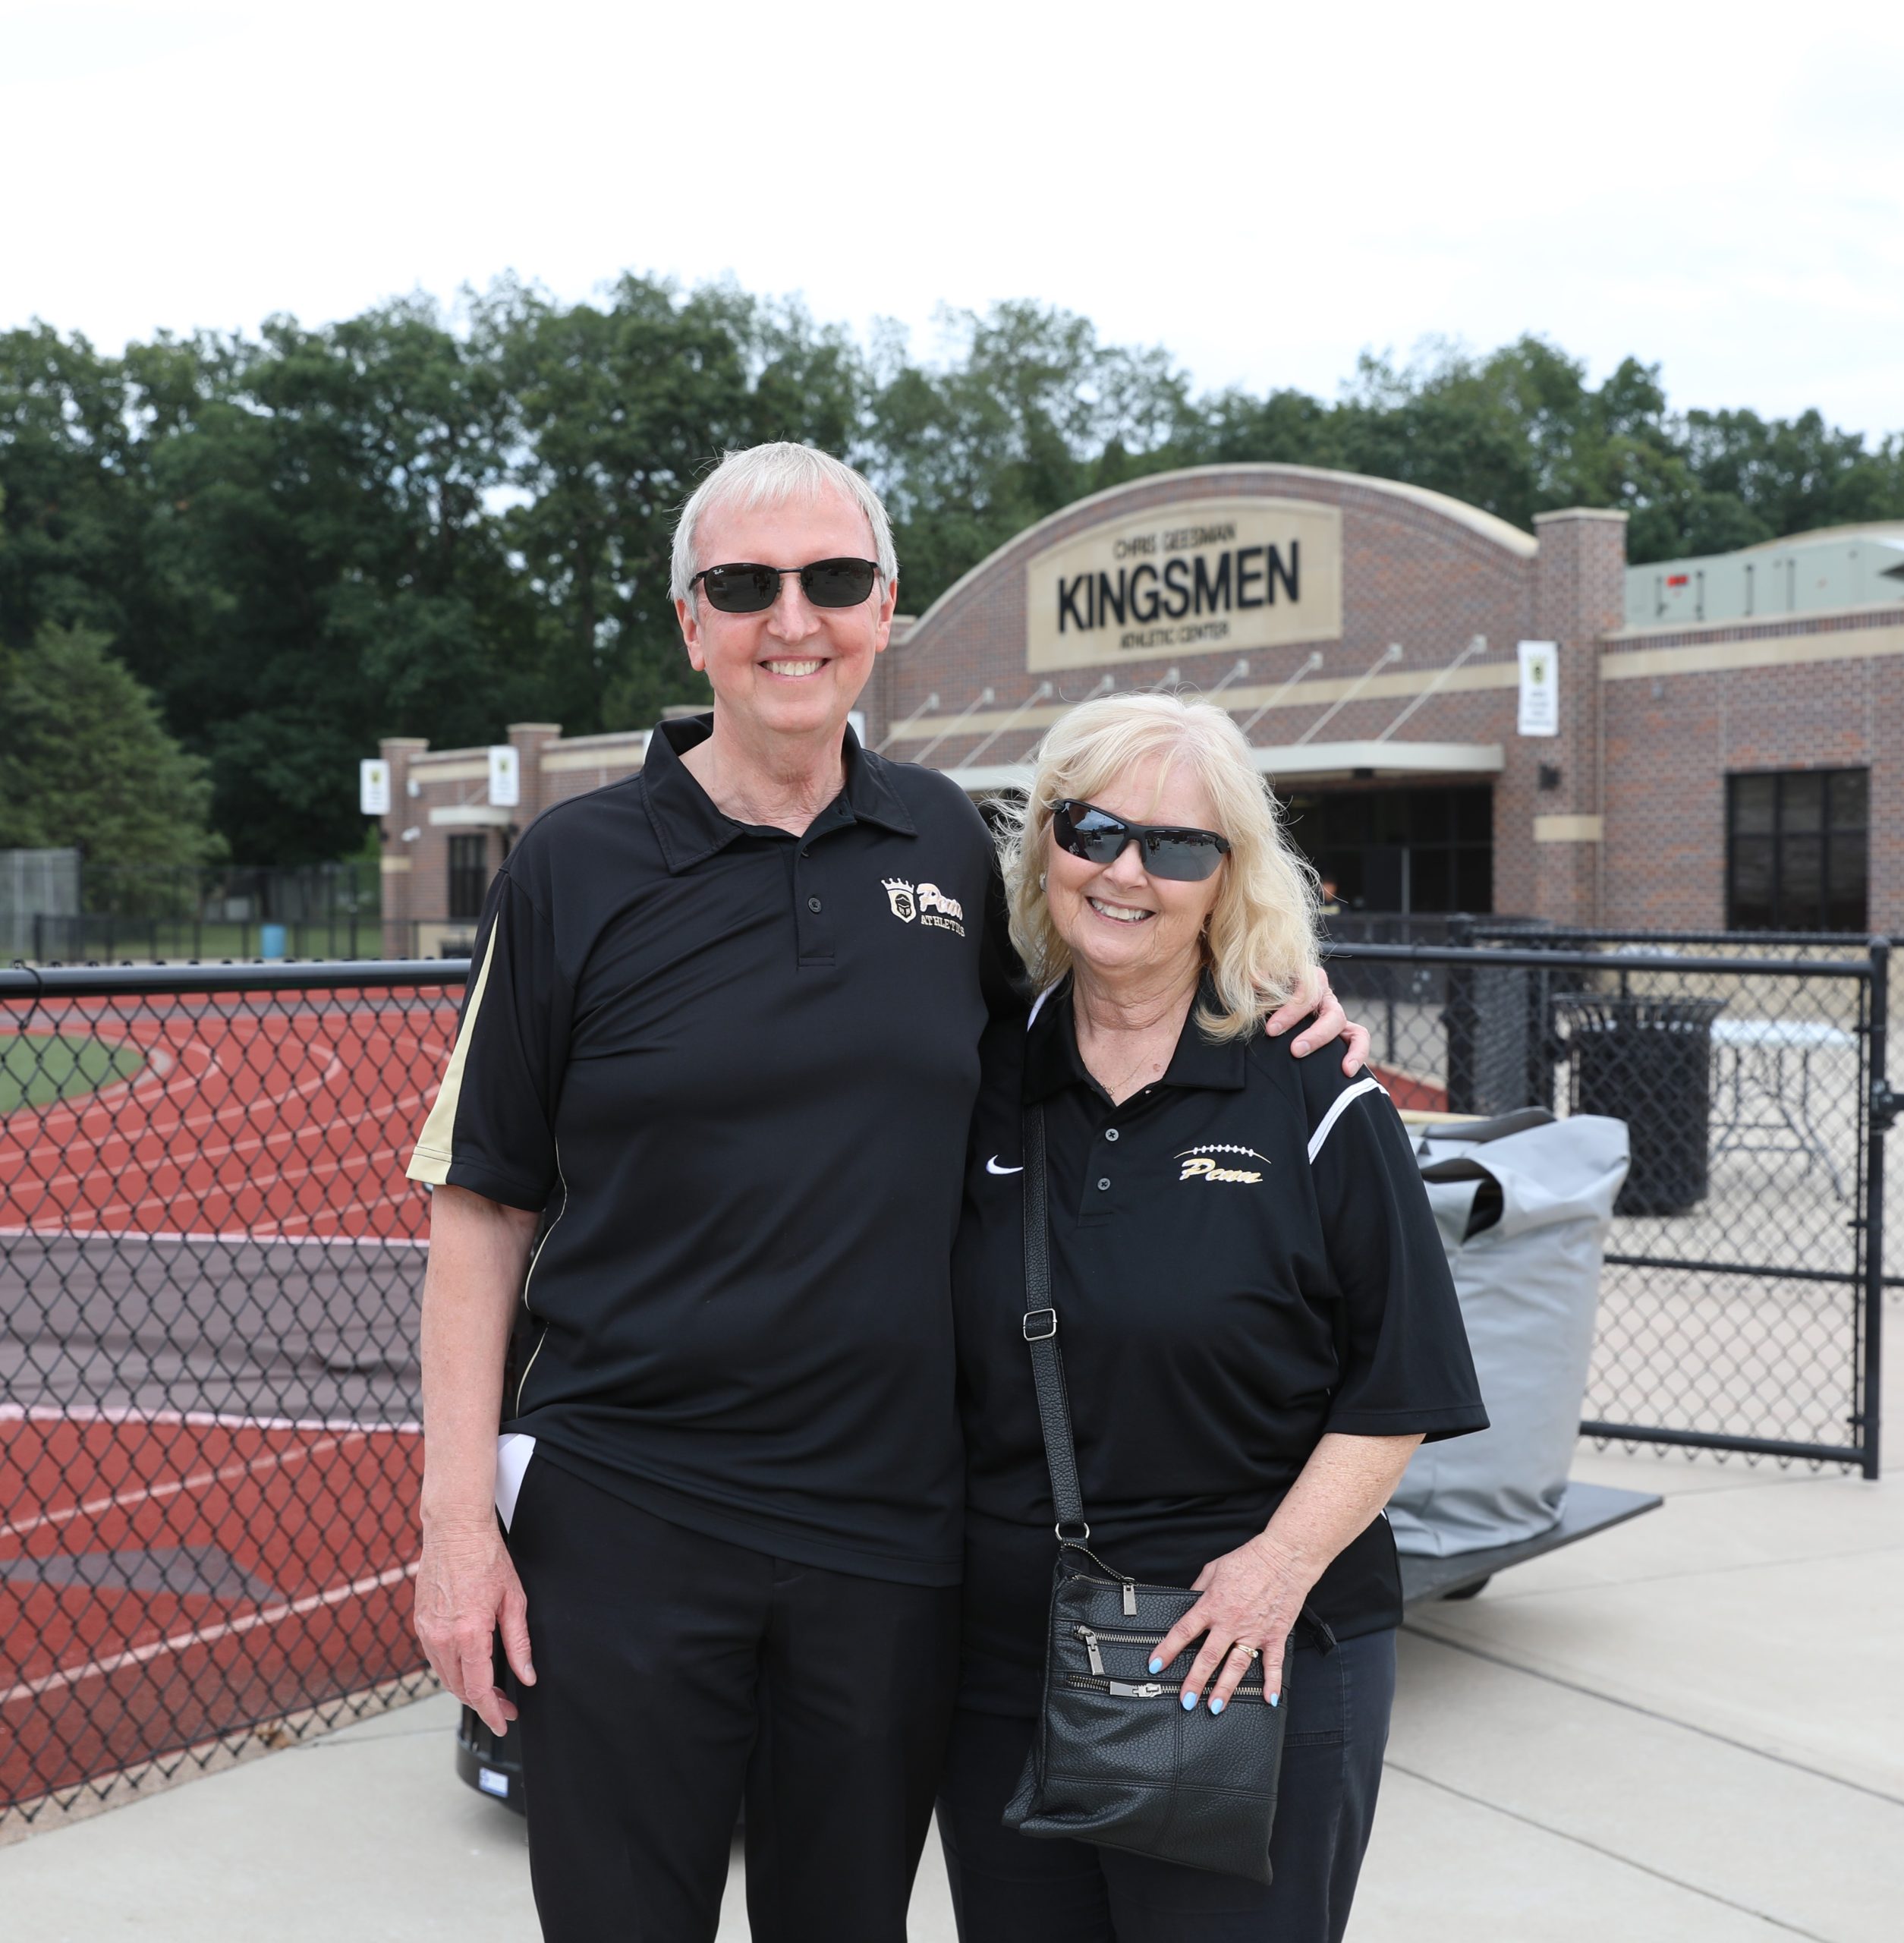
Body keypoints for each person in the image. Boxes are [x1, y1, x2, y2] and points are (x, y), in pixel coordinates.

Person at [405, 445, 1371, 1943]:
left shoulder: (943, 845)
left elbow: (1110, 957)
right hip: (627, 1517)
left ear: (883, 607)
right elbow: (480, 1209)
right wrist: (455, 1524)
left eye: (831, 581)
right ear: (691, 623)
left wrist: (1273, 965)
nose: (792, 618)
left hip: (887, 1536)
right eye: (745, 586)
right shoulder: (567, 867)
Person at [942, 693, 1487, 1942]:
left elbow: (1398, 1385)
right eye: (1093, 830)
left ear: (1227, 877)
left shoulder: (1313, 1088)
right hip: (1004, 1676)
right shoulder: (977, 1072)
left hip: (1245, 1659)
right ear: (1044, 843)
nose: (1127, 872)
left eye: (1177, 847)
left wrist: (1271, 1577)